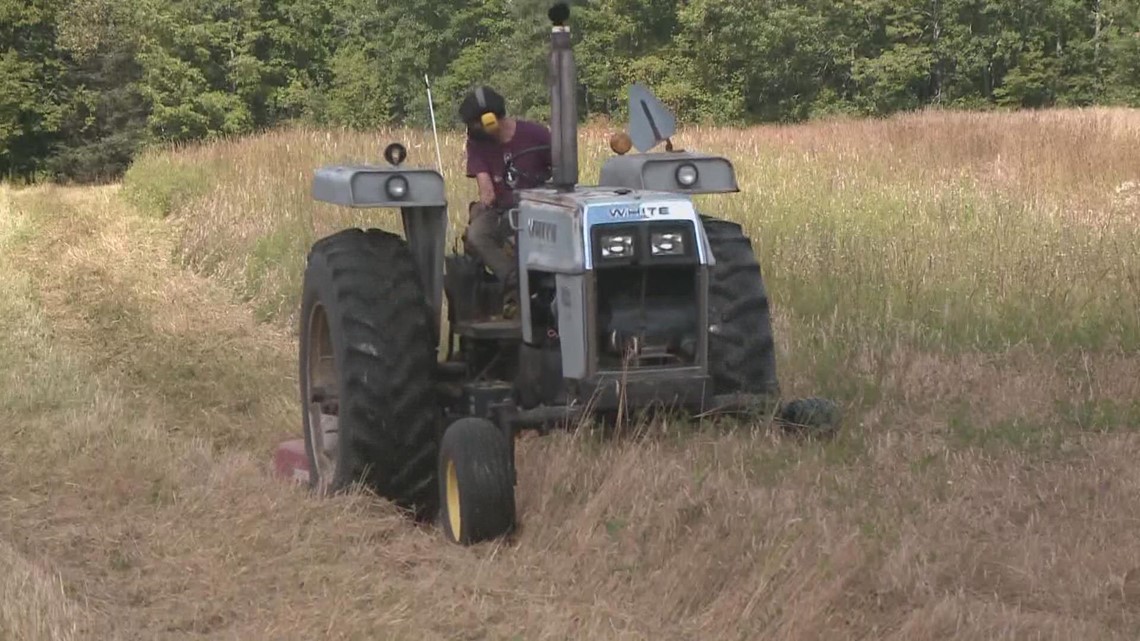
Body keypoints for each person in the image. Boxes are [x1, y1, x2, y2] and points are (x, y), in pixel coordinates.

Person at [459, 86, 552, 313]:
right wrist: (484, 204)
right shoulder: (477, 145)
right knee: (477, 234)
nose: (470, 130)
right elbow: (486, 190)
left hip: (540, 208)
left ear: (490, 120)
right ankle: (515, 281)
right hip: (503, 210)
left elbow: (560, 169)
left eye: (473, 124)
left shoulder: (536, 134)